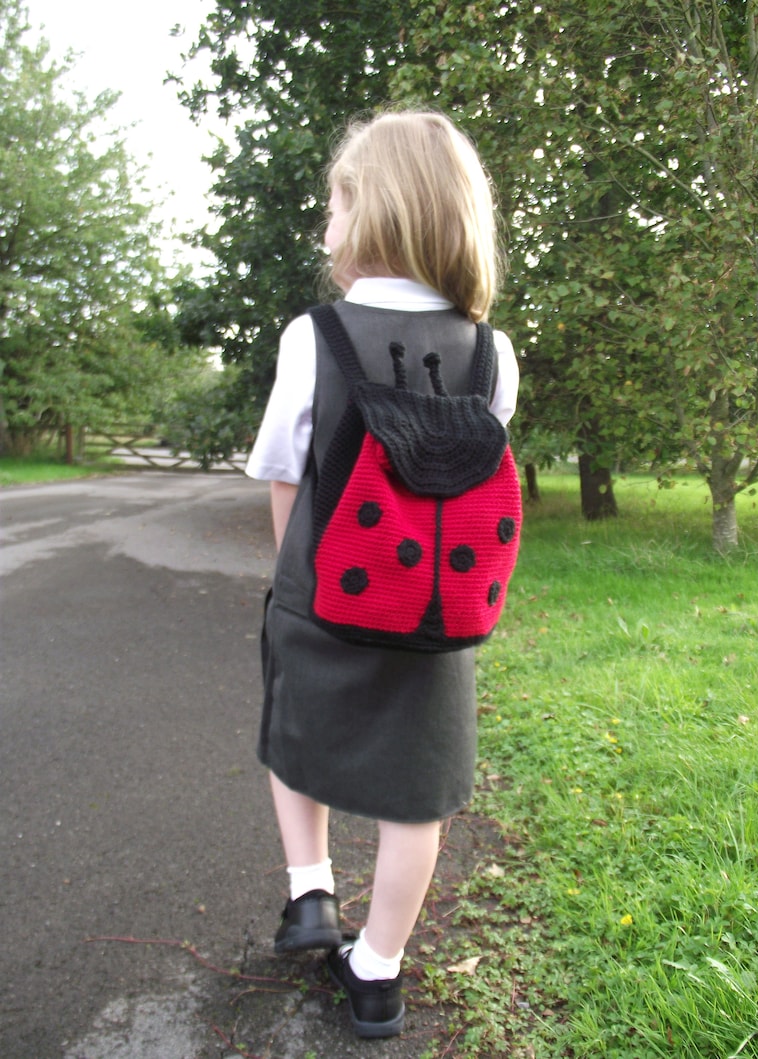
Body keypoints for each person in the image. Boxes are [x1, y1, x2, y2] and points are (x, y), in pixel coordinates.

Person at [245, 109, 520, 1039]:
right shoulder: (492, 352)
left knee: (295, 728)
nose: (326, 221)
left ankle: (310, 891)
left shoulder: (312, 336)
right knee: (420, 791)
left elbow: (289, 471)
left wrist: (298, 580)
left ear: (369, 211)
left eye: (335, 200)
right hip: (437, 610)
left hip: (324, 591)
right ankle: (378, 969)